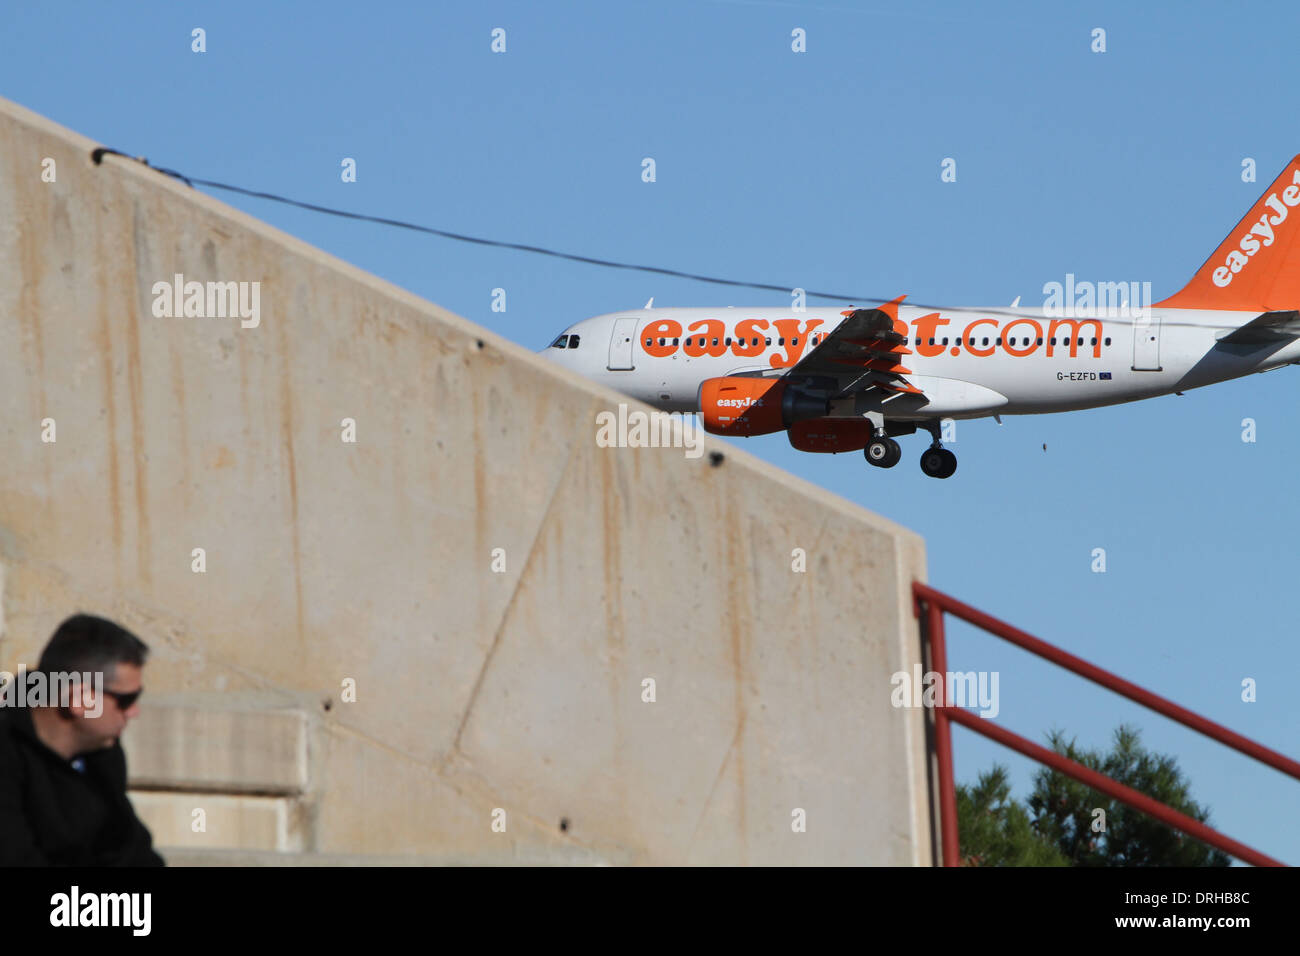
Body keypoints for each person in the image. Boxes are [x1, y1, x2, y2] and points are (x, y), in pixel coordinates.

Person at [0, 614, 164, 866]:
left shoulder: (100, 750)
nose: (134, 712)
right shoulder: (9, 754)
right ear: (79, 699)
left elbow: (132, 851)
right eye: (126, 700)